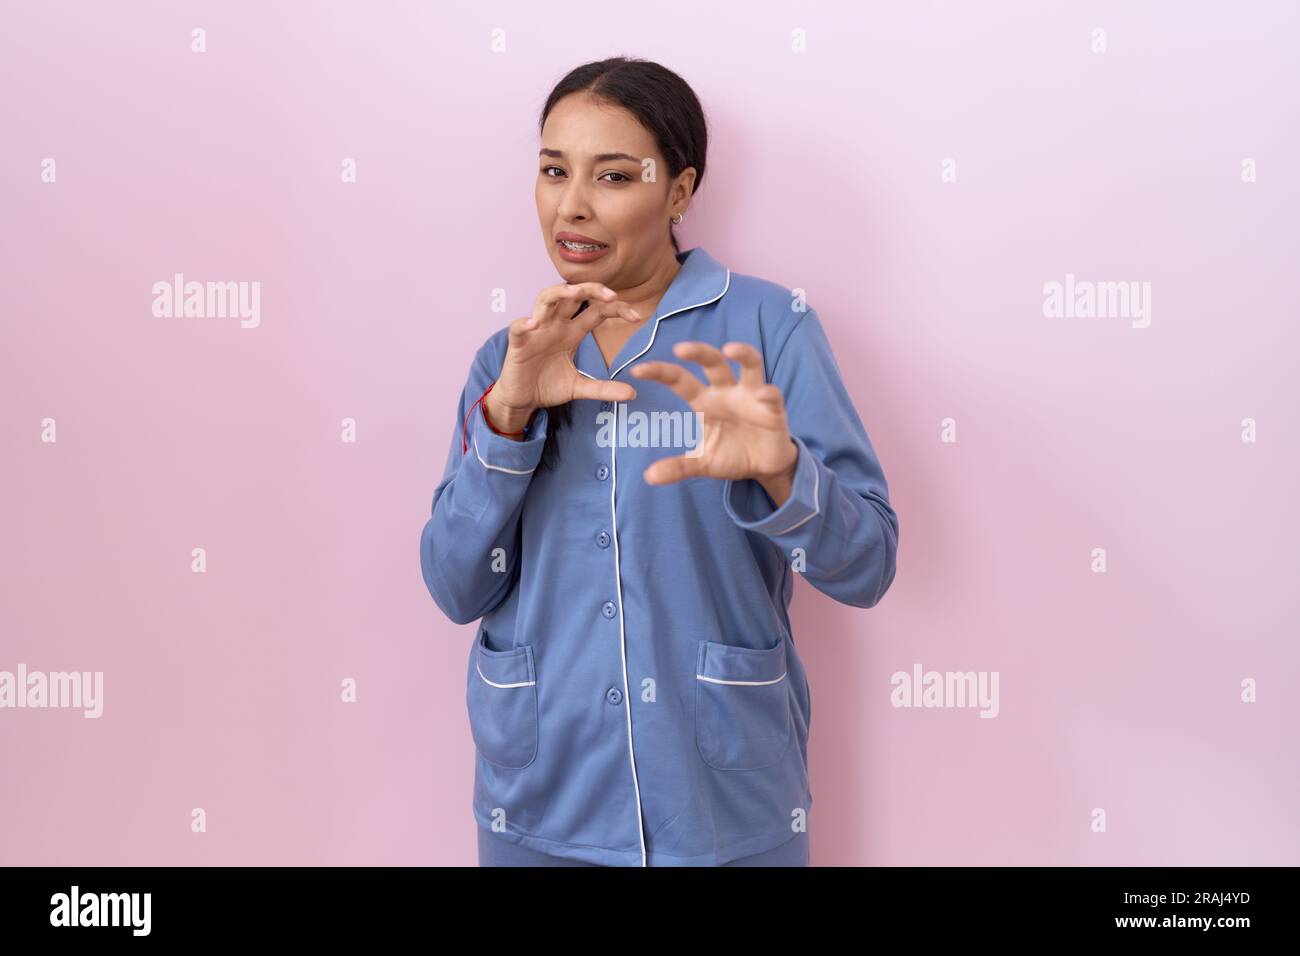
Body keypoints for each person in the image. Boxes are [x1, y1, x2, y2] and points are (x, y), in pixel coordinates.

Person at [420, 56, 899, 867]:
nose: (572, 205)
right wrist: (508, 419)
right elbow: (453, 586)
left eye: (613, 176)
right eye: (552, 170)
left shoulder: (769, 328)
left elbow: (868, 568)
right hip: (541, 804)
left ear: (679, 191)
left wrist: (783, 475)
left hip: (723, 805)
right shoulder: (509, 358)